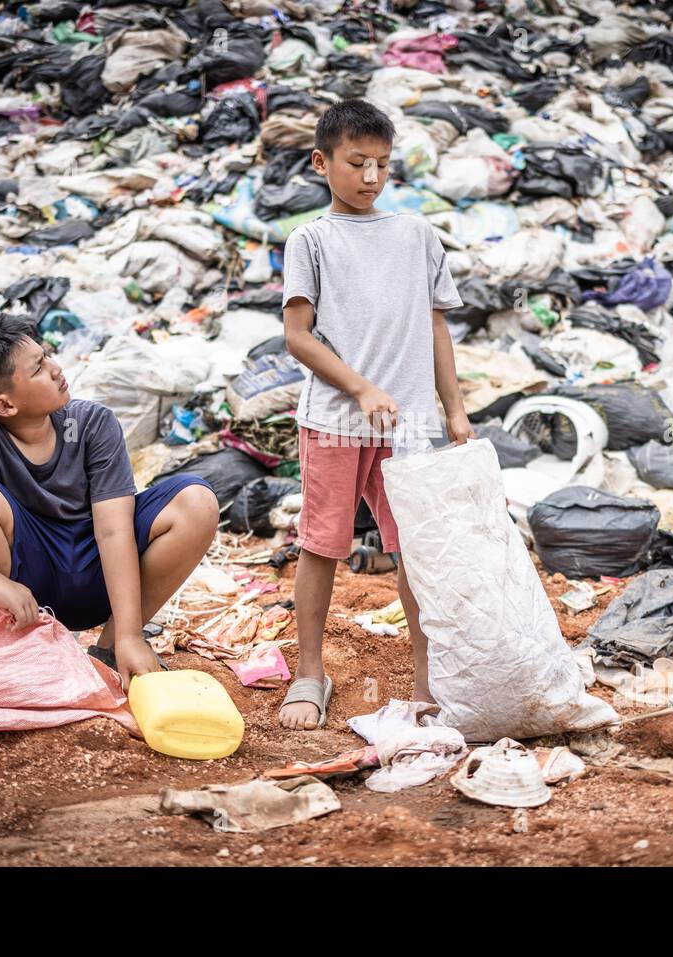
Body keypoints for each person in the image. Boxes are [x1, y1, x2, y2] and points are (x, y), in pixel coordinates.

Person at [0, 313, 219, 690]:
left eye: (46, 355)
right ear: (4, 406)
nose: (56, 368)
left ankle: (111, 649)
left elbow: (113, 532)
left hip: (101, 578)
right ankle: (10, 646)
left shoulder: (92, 423)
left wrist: (129, 635)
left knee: (196, 500)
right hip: (26, 594)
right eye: (38, 368)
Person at [278, 98, 474, 730]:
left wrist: (454, 408)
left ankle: (427, 679)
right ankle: (311, 673)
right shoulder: (311, 240)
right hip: (335, 421)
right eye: (356, 162)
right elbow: (298, 337)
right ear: (321, 162)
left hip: (409, 422)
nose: (370, 177)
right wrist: (361, 388)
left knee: (414, 548)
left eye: (383, 165)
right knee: (321, 545)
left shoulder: (416, 236)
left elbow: (436, 325)